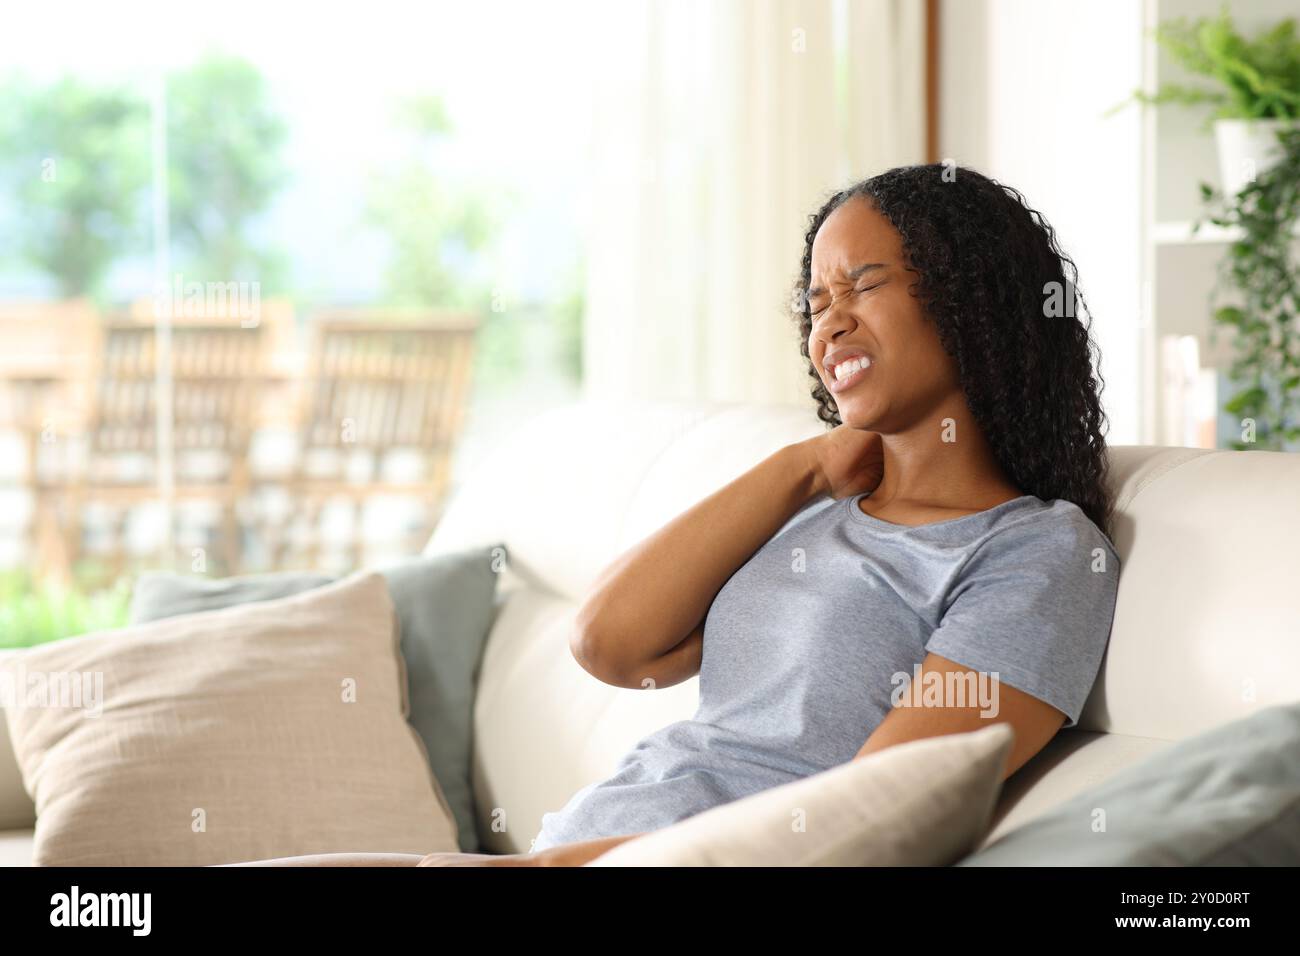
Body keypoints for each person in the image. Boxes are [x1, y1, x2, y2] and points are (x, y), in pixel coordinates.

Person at [252, 162, 1123, 869]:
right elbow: (610, 643)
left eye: (863, 285)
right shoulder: (818, 512)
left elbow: (866, 817)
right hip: (583, 848)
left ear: (972, 299)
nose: (831, 325)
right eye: (816, 305)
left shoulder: (1036, 551)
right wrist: (803, 466)